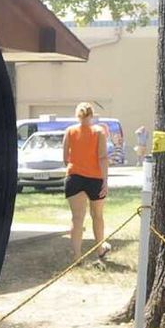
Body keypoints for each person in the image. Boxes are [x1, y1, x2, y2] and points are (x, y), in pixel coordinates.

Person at [63, 102, 110, 262]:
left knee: (77, 218)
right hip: (95, 178)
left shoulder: (70, 131)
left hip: (74, 177)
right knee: (97, 216)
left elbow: (65, 158)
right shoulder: (99, 132)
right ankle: (100, 249)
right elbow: (102, 157)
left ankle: (77, 256)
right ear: (92, 115)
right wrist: (105, 180)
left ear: (77, 115)